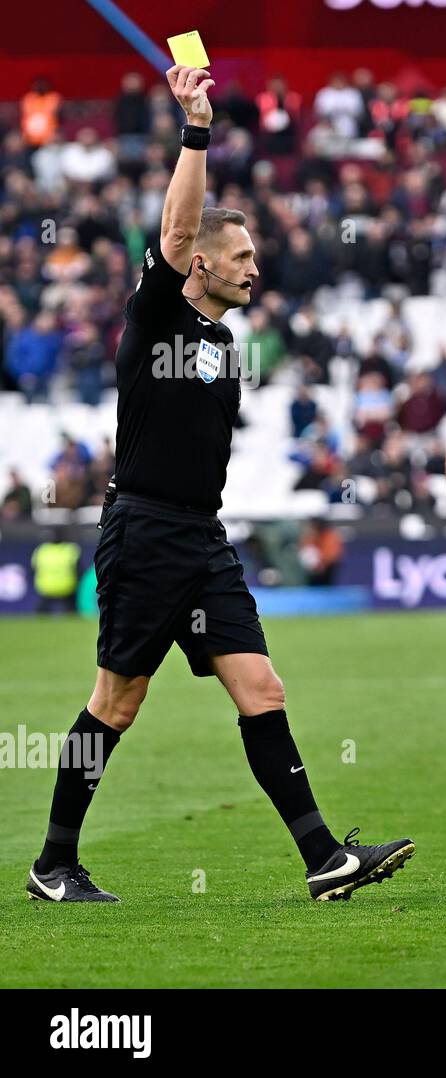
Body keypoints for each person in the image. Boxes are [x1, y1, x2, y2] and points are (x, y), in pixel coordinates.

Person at [26, 66, 412, 905]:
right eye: (239, 257)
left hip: (202, 537)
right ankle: (54, 863)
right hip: (146, 531)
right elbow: (172, 227)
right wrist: (196, 130)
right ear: (196, 262)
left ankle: (322, 859)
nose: (253, 271)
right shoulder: (157, 312)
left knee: (262, 690)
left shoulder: (224, 345)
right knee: (115, 706)